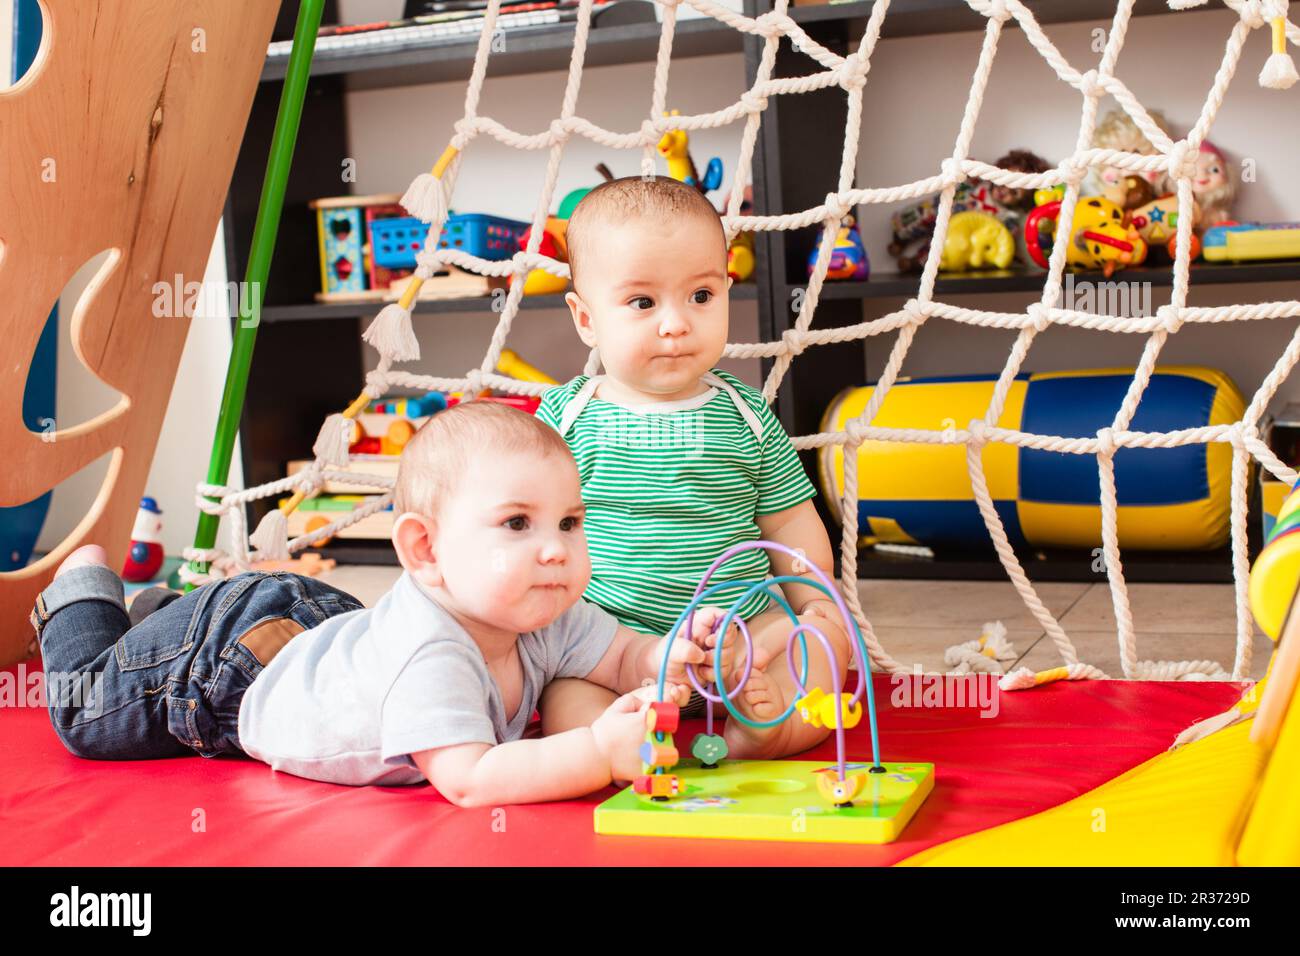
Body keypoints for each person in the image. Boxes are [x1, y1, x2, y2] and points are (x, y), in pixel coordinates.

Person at [29, 401, 753, 805]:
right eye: (516, 524)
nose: (557, 548)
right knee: (88, 710)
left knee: (171, 640)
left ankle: (164, 613)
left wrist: (675, 651)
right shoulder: (432, 653)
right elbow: (470, 780)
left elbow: (625, 654)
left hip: (316, 624)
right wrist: (596, 750)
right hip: (229, 670)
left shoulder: (541, 607)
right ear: (427, 551)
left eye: (569, 521)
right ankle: (86, 585)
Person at [535, 175, 853, 759]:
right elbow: (536, 518)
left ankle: (769, 726)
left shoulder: (746, 414)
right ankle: (614, 742)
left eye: (701, 296)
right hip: (611, 641)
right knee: (564, 695)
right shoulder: (565, 416)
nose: (676, 323)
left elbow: (788, 521)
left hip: (739, 632)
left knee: (827, 646)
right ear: (586, 319)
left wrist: (812, 596)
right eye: (642, 303)